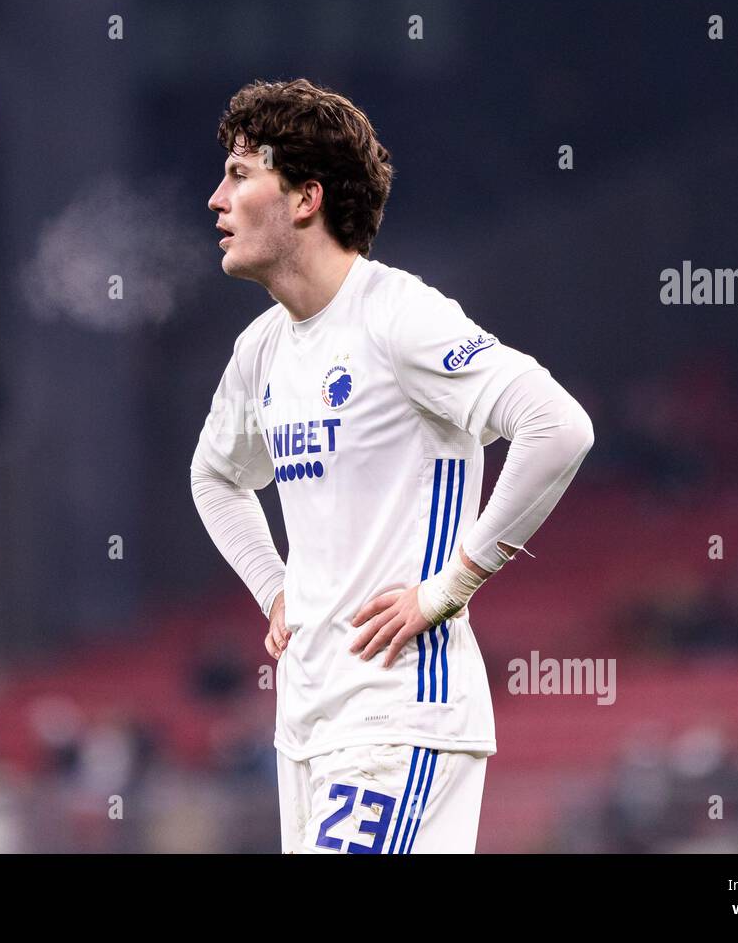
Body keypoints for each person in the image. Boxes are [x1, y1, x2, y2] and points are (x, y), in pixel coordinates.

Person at [190, 79, 594, 853]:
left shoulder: (399, 316)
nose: (217, 199)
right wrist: (274, 588)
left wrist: (453, 586)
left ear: (306, 198)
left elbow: (556, 426)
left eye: (240, 175)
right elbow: (216, 476)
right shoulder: (262, 350)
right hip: (306, 728)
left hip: (401, 714)